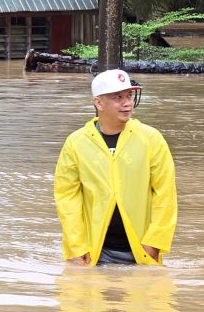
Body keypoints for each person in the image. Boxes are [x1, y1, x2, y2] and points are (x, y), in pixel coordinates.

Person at [53, 69, 177, 266]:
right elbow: (67, 198)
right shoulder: (76, 143)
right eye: (117, 97)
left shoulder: (151, 139)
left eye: (129, 96)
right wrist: (76, 247)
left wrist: (154, 243)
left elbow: (165, 194)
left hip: (141, 251)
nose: (127, 103)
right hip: (94, 252)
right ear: (99, 103)